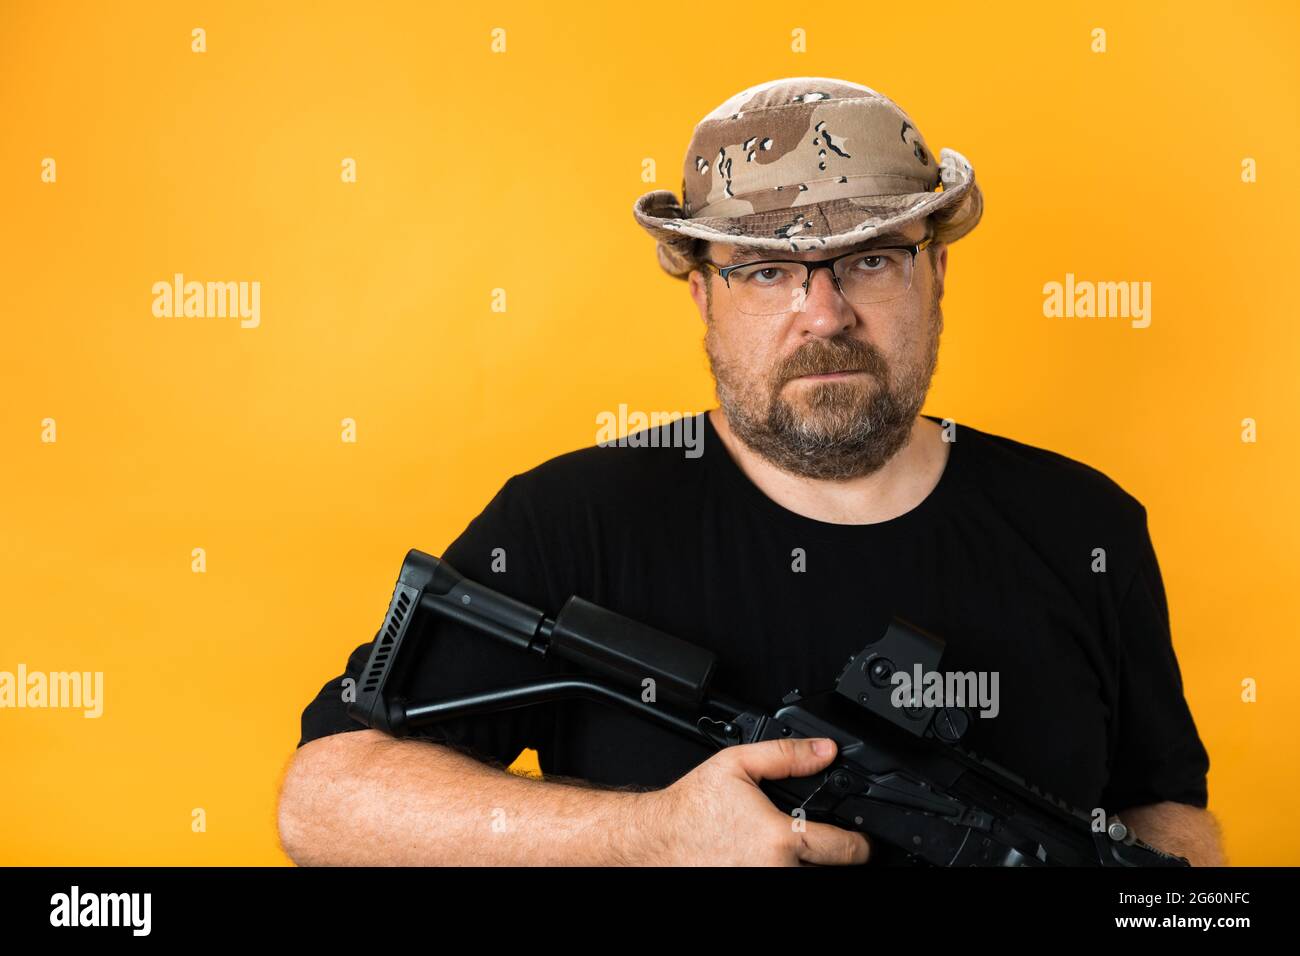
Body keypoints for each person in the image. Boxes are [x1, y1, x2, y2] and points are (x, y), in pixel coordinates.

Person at [276, 77, 1224, 866]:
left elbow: (1165, 814)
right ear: (700, 292)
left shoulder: (1083, 524)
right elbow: (323, 801)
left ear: (936, 275)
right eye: (767, 272)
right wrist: (649, 834)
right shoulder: (572, 520)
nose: (824, 314)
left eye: (871, 259)